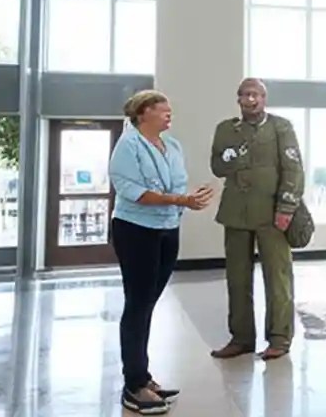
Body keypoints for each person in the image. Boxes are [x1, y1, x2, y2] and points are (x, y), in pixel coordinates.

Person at [109, 90, 214, 415]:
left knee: (148, 303)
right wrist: (181, 201)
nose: (170, 114)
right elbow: (134, 192)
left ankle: (143, 376)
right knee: (138, 304)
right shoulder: (128, 145)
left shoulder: (173, 146)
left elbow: (174, 187)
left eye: (170, 109)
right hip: (136, 230)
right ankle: (133, 385)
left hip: (167, 229)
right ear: (143, 113)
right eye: (163, 110)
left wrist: (188, 198)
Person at [209, 78, 304, 361]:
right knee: (237, 279)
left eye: (256, 95)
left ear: (264, 98)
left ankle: (279, 338)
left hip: (272, 213)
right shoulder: (226, 130)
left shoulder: (280, 127)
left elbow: (294, 169)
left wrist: (286, 208)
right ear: (238, 99)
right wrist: (235, 158)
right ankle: (241, 338)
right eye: (245, 94)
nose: (250, 99)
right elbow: (217, 167)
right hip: (236, 211)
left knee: (278, 279)